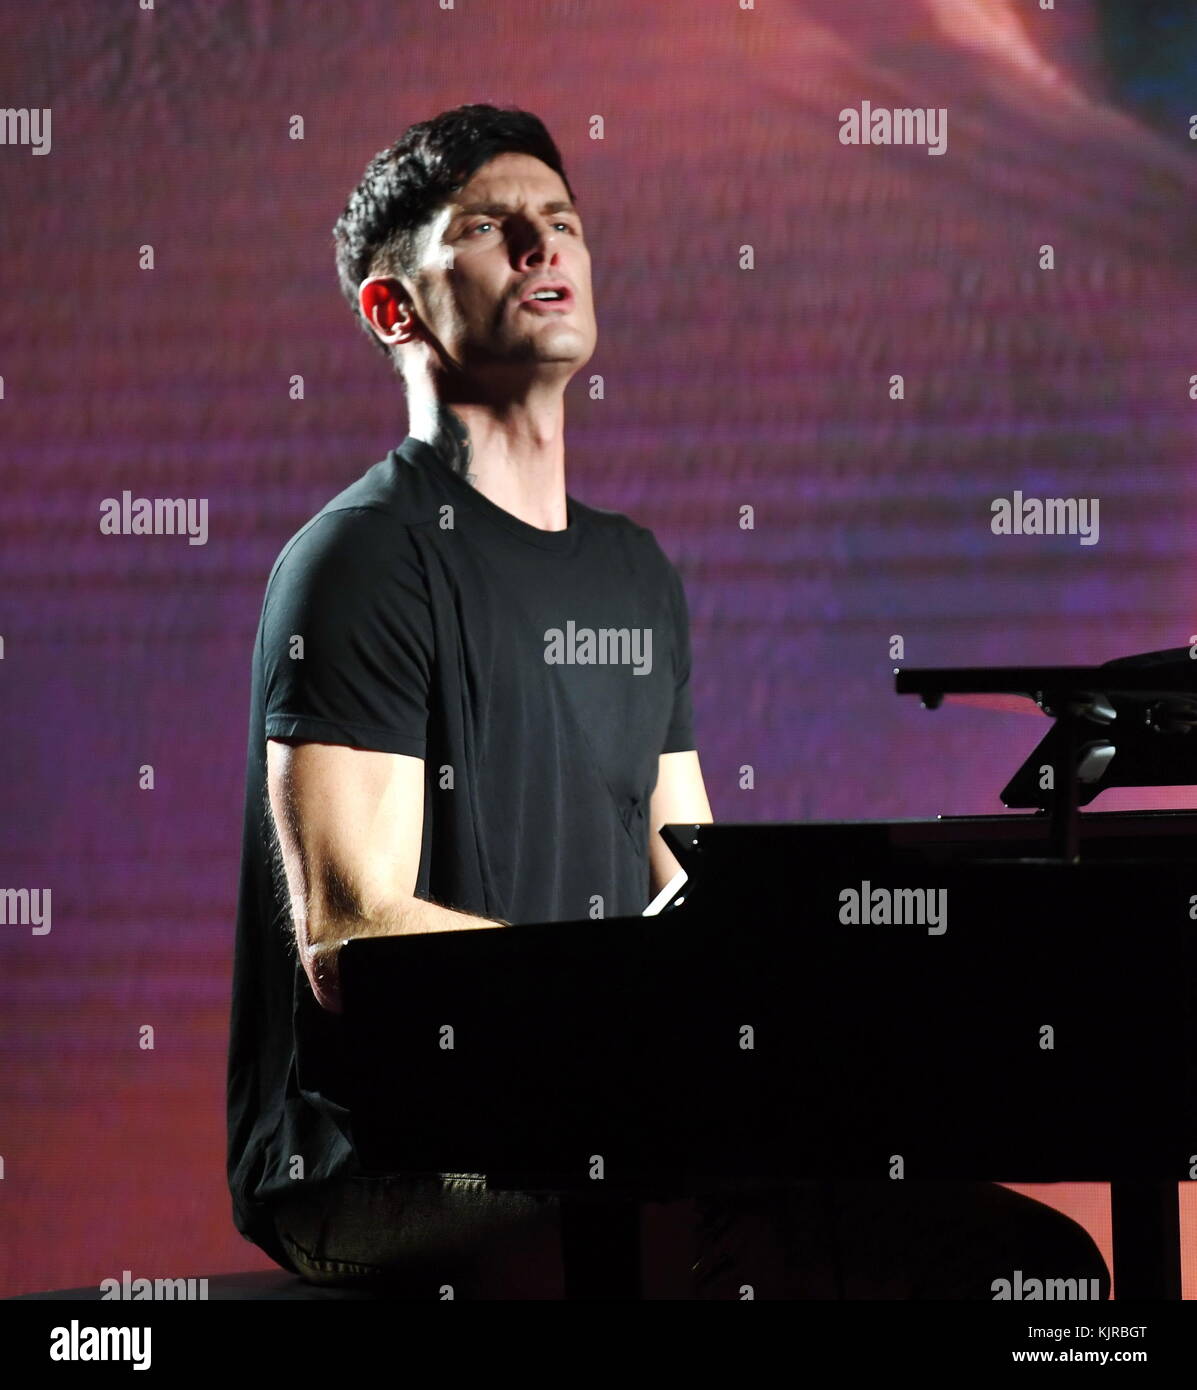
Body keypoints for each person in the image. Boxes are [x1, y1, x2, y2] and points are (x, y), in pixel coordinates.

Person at [225, 103, 1110, 1300]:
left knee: (1028, 1258)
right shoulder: (362, 561)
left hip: (596, 1118)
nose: (546, 249)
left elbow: (685, 886)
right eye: (494, 227)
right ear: (394, 307)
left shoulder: (633, 571)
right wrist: (636, 1015)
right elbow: (356, 941)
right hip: (380, 1162)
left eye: (563, 223)